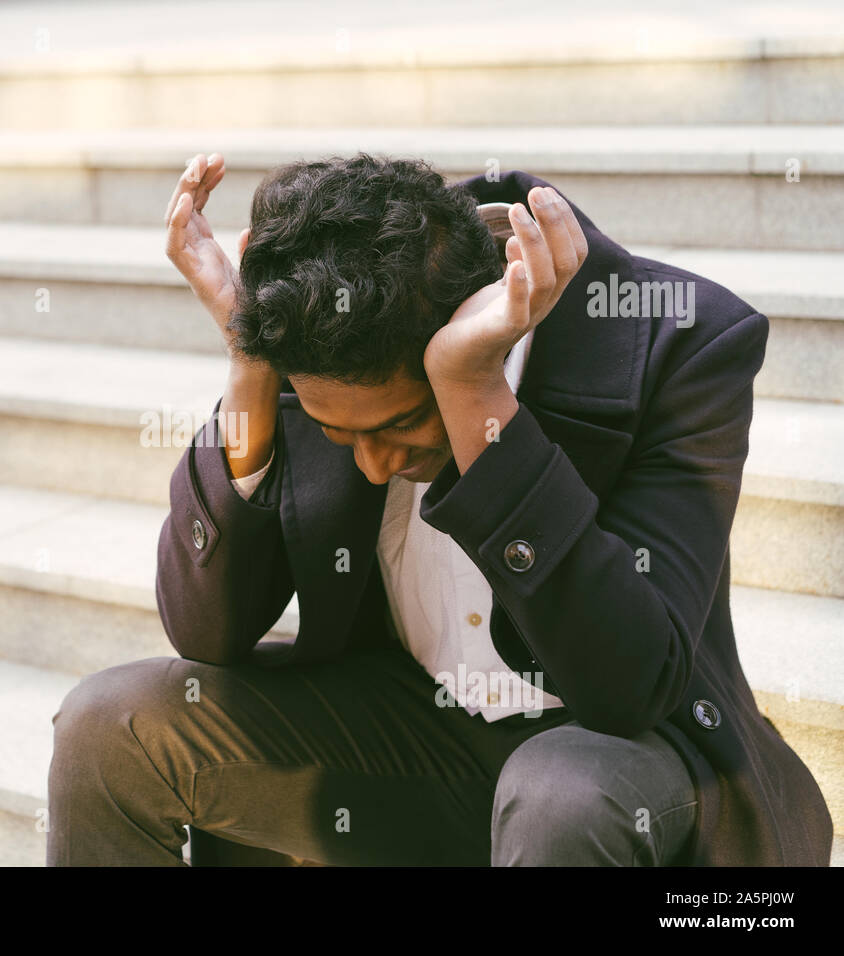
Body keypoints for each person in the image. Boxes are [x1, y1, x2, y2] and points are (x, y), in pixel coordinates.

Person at [45, 152, 833, 866]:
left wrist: (474, 399)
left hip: (625, 772)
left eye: (396, 425)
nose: (374, 463)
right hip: (415, 739)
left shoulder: (677, 340)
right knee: (109, 726)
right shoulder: (330, 329)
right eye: (336, 433)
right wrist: (252, 361)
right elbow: (206, 630)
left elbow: (630, 685)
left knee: (559, 795)